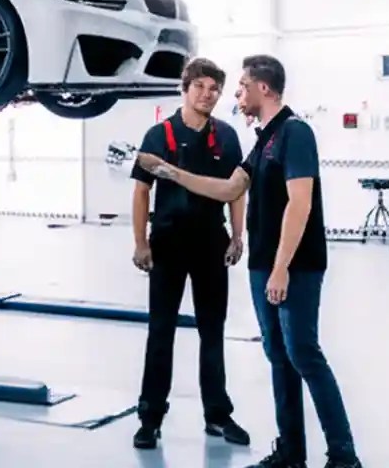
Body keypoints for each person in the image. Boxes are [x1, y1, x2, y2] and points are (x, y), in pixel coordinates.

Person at [135, 54, 362, 468]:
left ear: (263, 88)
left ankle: (343, 455)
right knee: (279, 355)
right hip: (261, 265)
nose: (232, 94)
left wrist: (279, 267)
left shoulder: (295, 133)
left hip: (294, 266)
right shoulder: (263, 141)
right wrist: (170, 172)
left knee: (304, 353)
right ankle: (291, 451)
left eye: (239, 86)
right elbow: (226, 190)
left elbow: (301, 203)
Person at [129, 58, 250, 450]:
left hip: (211, 244)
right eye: (200, 86)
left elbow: (236, 188)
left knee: (212, 331)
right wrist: (140, 242)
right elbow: (141, 191)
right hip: (167, 244)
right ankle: (150, 417)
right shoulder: (158, 135)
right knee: (160, 331)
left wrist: (237, 234)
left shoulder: (227, 137)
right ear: (185, 88)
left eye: (214, 89)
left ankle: (217, 414)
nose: (207, 94)